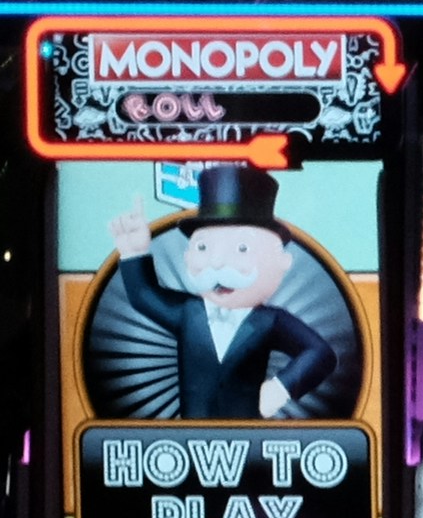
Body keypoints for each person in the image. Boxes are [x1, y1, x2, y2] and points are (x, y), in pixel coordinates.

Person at [79, 165, 362, 422]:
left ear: (281, 262)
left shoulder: (270, 321)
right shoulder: (188, 313)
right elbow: (144, 296)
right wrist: (133, 252)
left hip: (250, 446)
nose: (217, 263)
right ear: (188, 256)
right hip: (190, 444)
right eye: (203, 248)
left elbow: (320, 353)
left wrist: (280, 389)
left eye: (241, 248)